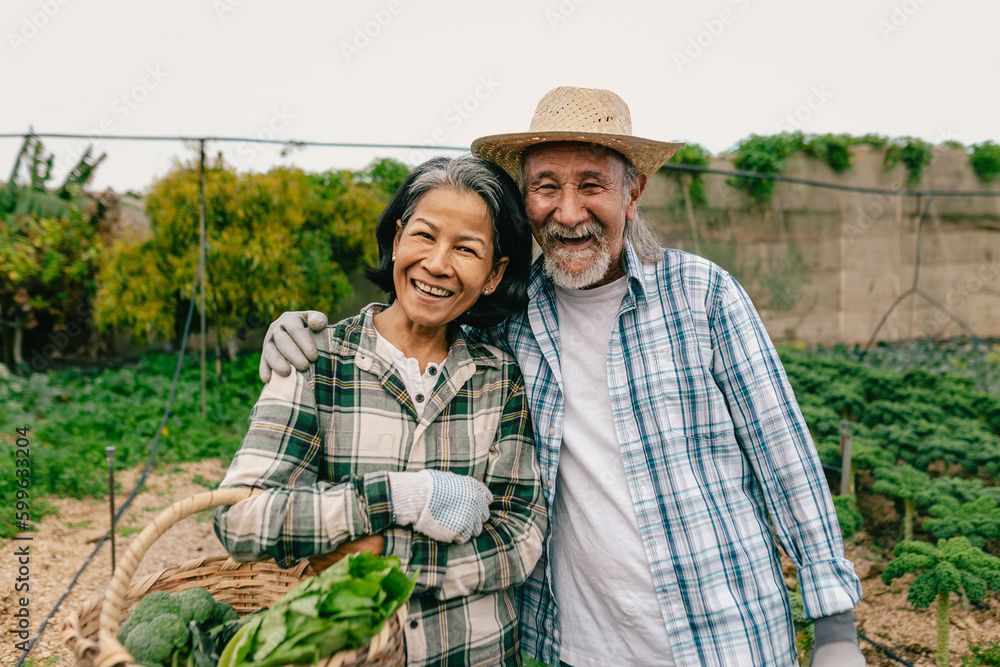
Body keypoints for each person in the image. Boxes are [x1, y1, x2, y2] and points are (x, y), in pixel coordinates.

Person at [259, 87, 865, 666]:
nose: (568, 211)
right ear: (525, 199)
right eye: (545, 186)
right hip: (580, 646)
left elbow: (783, 455)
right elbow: (419, 319)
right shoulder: (508, 320)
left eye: (592, 185)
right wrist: (300, 329)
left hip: (724, 635)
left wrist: (835, 628)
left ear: (634, 191)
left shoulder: (703, 296)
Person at [214, 154, 547, 667]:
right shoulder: (315, 359)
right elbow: (242, 520)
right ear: (396, 240)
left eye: (466, 248)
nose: (437, 263)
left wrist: (386, 559)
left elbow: (520, 536)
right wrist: (398, 496)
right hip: (349, 653)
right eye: (423, 236)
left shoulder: (499, 377)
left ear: (494, 274)